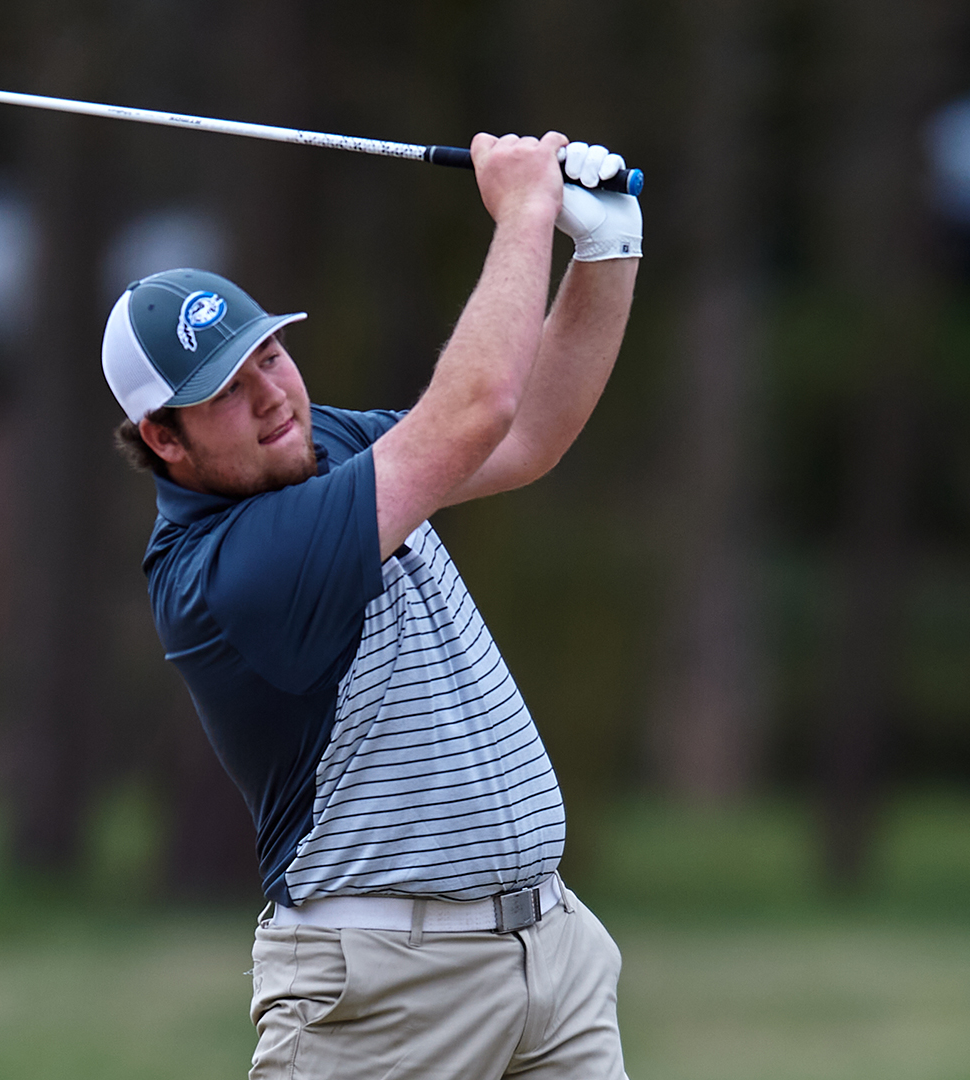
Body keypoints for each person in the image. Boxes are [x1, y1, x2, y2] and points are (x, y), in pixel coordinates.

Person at [100, 131, 642, 1080]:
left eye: (270, 354)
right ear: (164, 437)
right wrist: (524, 215)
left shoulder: (323, 448)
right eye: (228, 390)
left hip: (549, 958)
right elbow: (469, 412)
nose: (274, 395)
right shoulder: (229, 570)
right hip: (386, 997)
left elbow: (524, 435)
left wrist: (605, 250)